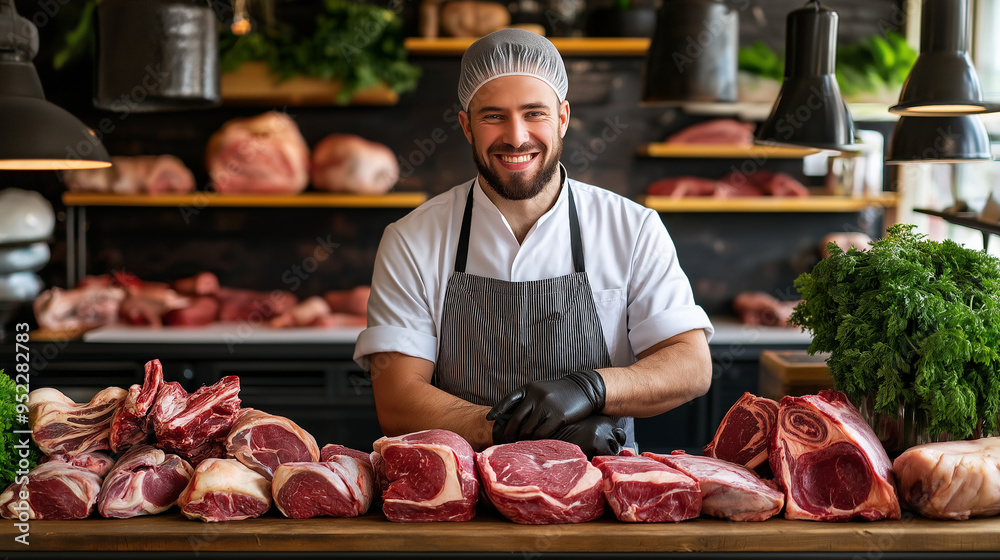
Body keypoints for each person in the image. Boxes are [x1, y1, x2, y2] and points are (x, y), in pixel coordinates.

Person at [354, 28, 714, 457]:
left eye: (533, 113)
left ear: (562, 117)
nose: (516, 136)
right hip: (459, 498)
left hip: (603, 494)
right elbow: (397, 398)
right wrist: (524, 434)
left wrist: (592, 387)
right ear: (467, 126)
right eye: (493, 116)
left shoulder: (632, 228)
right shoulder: (411, 240)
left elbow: (690, 365)